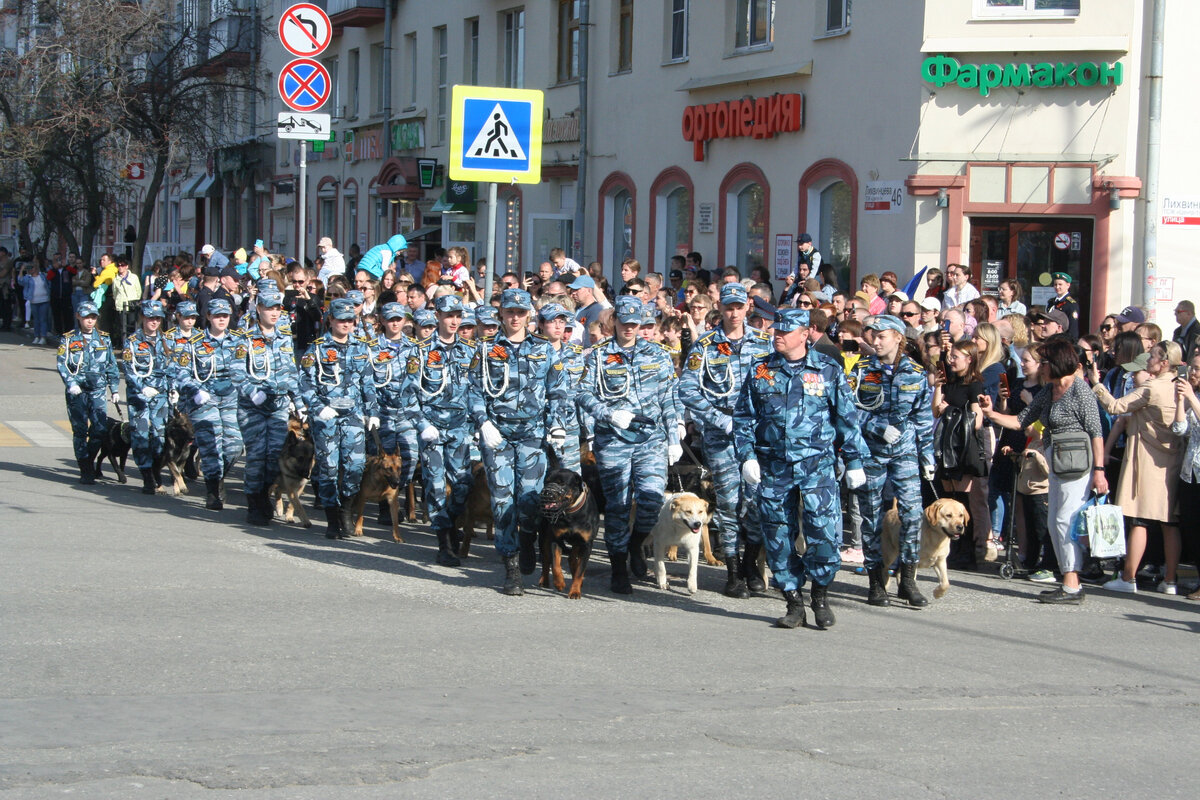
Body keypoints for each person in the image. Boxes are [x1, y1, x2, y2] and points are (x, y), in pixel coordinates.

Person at [734, 308, 868, 629]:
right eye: (775, 330)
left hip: (817, 467)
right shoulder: (760, 370)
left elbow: (846, 419)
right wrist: (747, 456)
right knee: (777, 534)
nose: (777, 335)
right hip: (774, 467)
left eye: (785, 331)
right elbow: (743, 418)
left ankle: (820, 595)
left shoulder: (828, 370)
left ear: (805, 334)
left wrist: (854, 460)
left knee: (823, 534)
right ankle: (793, 600)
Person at [980, 336, 1107, 604]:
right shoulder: (1049, 392)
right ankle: (1068, 580)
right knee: (1054, 521)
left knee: (1064, 520)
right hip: (1054, 459)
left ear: (1057, 363)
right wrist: (991, 413)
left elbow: (1096, 432)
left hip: (1078, 463)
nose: (1041, 366)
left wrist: (1099, 470)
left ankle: (1072, 583)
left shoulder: (1080, 390)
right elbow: (1021, 420)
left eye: (1045, 361)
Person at [467, 288, 569, 595]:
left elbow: (558, 391)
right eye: (510, 312)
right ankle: (510, 564)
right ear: (501, 314)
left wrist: (557, 426)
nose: (515, 317)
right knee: (502, 498)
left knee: (529, 500)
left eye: (520, 313)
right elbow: (471, 390)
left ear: (529, 316)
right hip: (496, 433)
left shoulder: (544, 348)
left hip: (532, 433)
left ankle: (527, 539)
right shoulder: (485, 350)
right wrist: (482, 422)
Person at [578, 296, 682, 595]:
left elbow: (669, 396)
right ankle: (618, 565)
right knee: (619, 507)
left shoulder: (659, 355)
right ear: (615, 322)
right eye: (625, 322)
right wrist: (609, 414)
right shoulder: (598, 356)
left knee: (650, 501)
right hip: (613, 439)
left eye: (636, 324)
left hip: (650, 438)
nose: (630, 328)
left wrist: (674, 434)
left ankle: (636, 545)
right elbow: (582, 394)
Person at [678, 283, 772, 597]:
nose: (733, 313)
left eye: (738, 307)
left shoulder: (764, 344)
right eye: (728, 308)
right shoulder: (705, 345)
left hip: (756, 435)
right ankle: (733, 572)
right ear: (721, 308)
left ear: (748, 307)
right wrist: (718, 419)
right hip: (721, 435)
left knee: (756, 502)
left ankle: (750, 566)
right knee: (730, 504)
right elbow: (687, 389)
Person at [848, 315, 936, 607]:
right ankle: (876, 582)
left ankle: (908, 580)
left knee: (912, 514)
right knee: (872, 517)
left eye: (882, 335)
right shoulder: (861, 370)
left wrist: (927, 455)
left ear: (899, 337)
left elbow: (923, 418)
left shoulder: (916, 373)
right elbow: (848, 411)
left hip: (905, 450)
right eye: (873, 335)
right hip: (872, 450)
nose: (875, 340)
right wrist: (876, 427)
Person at [1091, 341, 1185, 594]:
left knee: (1139, 520)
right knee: (1169, 522)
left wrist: (1096, 383)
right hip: (1173, 461)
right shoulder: (1179, 386)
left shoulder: (1152, 388)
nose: (1149, 361)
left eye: (1153, 356)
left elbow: (1115, 406)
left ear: (1164, 362)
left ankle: (1129, 576)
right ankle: (1171, 580)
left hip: (1146, 460)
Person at [298, 298, 379, 539]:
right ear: (330, 320)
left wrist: (372, 412)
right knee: (329, 468)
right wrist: (317, 407)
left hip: (353, 414)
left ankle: (346, 510)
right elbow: (304, 381)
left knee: (355, 466)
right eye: (340, 319)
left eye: (349, 320)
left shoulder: (361, 347)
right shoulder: (317, 348)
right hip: (327, 415)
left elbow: (368, 382)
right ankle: (332, 518)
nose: (345, 324)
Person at [407, 295, 476, 566]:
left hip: (460, 428)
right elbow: (408, 394)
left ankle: (451, 522)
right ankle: (444, 541)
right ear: (437, 317)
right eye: (448, 316)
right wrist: (422, 425)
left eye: (458, 316)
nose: (454, 321)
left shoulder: (469, 351)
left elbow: (478, 390)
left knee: (463, 485)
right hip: (432, 428)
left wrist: (479, 423)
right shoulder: (421, 351)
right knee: (435, 486)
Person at [233, 289, 299, 525]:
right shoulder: (245, 337)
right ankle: (255, 502)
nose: (273, 312)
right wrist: (253, 392)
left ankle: (264, 495)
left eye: (277, 308)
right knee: (257, 455)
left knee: (273, 457)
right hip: (253, 408)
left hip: (278, 405)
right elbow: (237, 372)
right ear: (258, 308)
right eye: (268, 308)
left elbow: (291, 371)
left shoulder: (283, 336)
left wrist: (299, 401)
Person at [171, 298, 244, 510]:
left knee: (234, 446)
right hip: (204, 399)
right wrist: (194, 390)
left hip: (231, 398)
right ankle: (212, 491)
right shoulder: (193, 344)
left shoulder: (240, 341)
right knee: (211, 445)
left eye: (226, 316)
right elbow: (180, 372)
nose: (222, 320)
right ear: (209, 317)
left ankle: (217, 476)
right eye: (217, 316)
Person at [57, 301, 120, 484]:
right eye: (86, 317)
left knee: (100, 429)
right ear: (78, 317)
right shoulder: (68, 339)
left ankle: (90, 460)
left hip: (98, 389)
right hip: (77, 391)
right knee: (80, 430)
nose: (90, 321)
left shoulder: (103, 338)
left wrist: (114, 388)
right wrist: (70, 383)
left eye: (93, 318)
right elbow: (62, 363)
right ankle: (85, 467)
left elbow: (111, 365)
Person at [121, 300, 172, 494]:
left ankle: (156, 470)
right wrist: (141, 388)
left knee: (159, 436)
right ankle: (147, 476)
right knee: (141, 435)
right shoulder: (133, 342)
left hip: (160, 395)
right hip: (139, 395)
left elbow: (172, 368)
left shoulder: (165, 340)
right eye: (150, 318)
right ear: (143, 317)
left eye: (157, 318)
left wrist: (173, 390)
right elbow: (128, 368)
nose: (154, 322)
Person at [537, 302, 587, 473]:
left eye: (562, 321)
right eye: (552, 321)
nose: (558, 326)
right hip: (538, 426)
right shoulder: (530, 353)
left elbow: (582, 391)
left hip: (569, 426)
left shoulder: (575, 354)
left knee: (570, 478)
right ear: (541, 324)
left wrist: (589, 430)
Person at [1170, 351, 1200, 601]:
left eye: (1198, 369)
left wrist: (1191, 396)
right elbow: (1179, 428)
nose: (1193, 374)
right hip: (1190, 471)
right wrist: (1182, 400)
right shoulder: (1193, 395)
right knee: (1191, 527)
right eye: (1192, 369)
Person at [19, 256, 51, 345]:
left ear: (36, 268)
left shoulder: (43, 276)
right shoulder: (28, 278)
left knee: (43, 319)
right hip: (34, 301)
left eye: (32, 268)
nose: (31, 270)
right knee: (36, 320)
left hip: (44, 300)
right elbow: (20, 281)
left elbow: (49, 282)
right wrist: (22, 270)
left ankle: (43, 337)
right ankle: (37, 336)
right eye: (29, 268)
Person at [1047, 272, 1080, 339]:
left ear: (1068, 285)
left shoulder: (1071, 304)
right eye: (1055, 284)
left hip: (1062, 340)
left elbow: (1072, 328)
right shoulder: (1052, 302)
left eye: (1060, 284)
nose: (1057, 287)